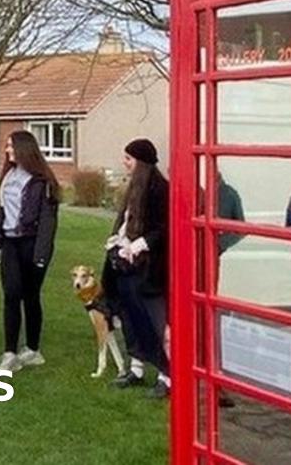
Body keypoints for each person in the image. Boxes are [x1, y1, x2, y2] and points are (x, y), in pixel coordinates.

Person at [102, 138, 170, 398]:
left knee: (153, 321)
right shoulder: (135, 186)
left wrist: (140, 244)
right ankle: (137, 368)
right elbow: (126, 221)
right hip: (126, 264)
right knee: (130, 317)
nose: (125, 163)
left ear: (141, 162)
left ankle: (166, 375)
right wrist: (117, 241)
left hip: (149, 267)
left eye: (128, 159)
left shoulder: (160, 190)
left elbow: (163, 228)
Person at [0, 130, 59, 372]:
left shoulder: (42, 182)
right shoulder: (7, 176)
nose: (7, 150)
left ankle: (32, 349)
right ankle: (9, 352)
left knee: (31, 296)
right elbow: (1, 211)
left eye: (11, 146)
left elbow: (48, 220)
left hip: (32, 243)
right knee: (11, 294)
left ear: (24, 148)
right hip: (10, 243)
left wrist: (41, 254)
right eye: (7, 146)